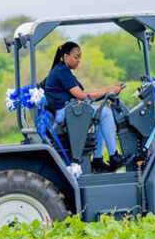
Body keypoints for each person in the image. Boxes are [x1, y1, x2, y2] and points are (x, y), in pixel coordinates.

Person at [43, 41, 125, 172]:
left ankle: (97, 161)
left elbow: (84, 94)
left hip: (68, 110)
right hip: (63, 113)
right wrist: (107, 91)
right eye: (76, 57)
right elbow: (81, 95)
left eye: (79, 58)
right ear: (65, 56)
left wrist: (108, 89)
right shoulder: (61, 71)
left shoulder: (65, 71)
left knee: (99, 116)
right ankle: (114, 156)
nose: (78, 61)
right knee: (106, 113)